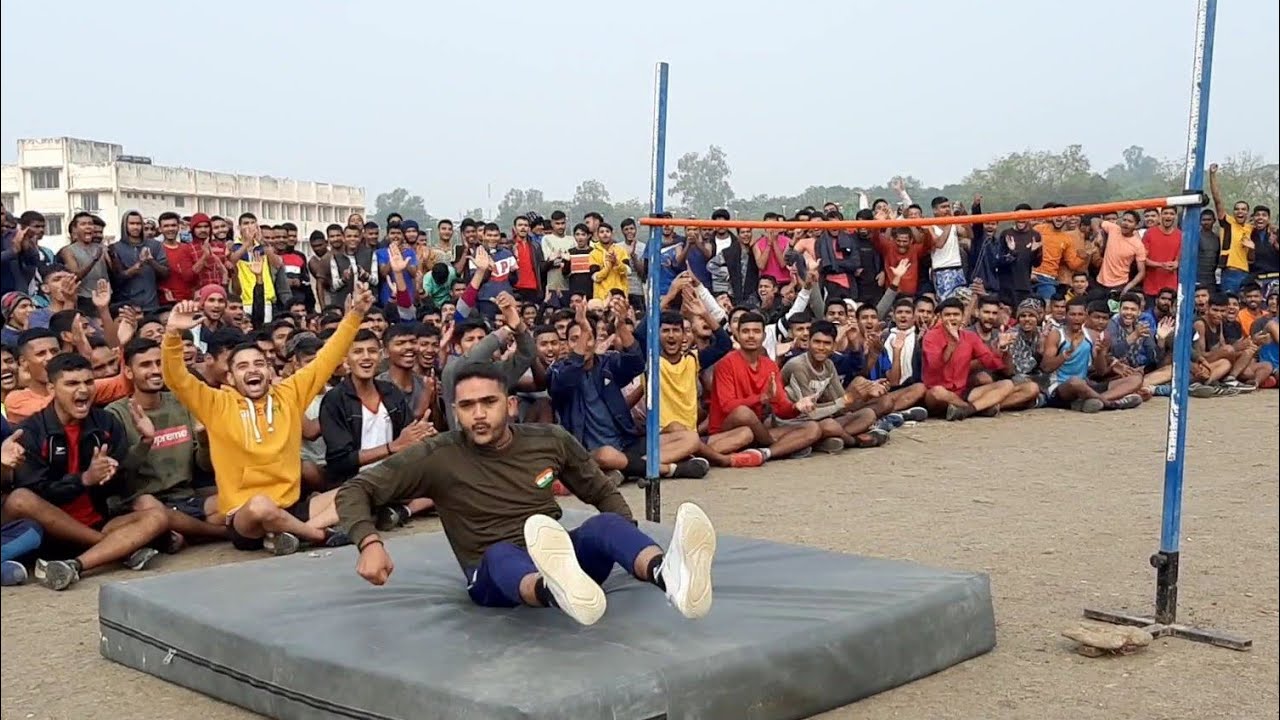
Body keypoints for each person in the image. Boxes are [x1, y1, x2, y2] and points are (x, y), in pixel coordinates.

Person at [334, 363, 717, 627]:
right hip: (494, 576)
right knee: (500, 553)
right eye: (467, 406)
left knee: (604, 525)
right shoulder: (439, 455)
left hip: (562, 556)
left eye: (489, 402)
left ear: (511, 405)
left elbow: (600, 490)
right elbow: (356, 489)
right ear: (455, 412)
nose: (478, 415)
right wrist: (369, 542)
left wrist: (625, 544)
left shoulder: (549, 440)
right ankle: (555, 592)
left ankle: (669, 575)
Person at [159, 283, 375, 554]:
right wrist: (173, 333)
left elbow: (326, 358)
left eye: (259, 364)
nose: (253, 370)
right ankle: (315, 534)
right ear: (230, 377)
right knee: (261, 505)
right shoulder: (215, 403)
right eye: (242, 366)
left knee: (360, 489)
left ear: (270, 371)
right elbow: (176, 378)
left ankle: (287, 533)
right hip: (246, 517)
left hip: (292, 506)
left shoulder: (289, 394)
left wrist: (354, 315)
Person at [9, 353, 175, 590]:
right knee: (21, 499)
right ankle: (118, 550)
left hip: (98, 522)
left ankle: (74, 566)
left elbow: (122, 486)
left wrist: (140, 447)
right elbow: (37, 493)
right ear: (51, 388)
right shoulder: (31, 431)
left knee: (157, 515)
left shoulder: (106, 422)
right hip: (50, 533)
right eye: (72, 384)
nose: (84, 390)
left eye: (88, 382)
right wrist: (85, 479)